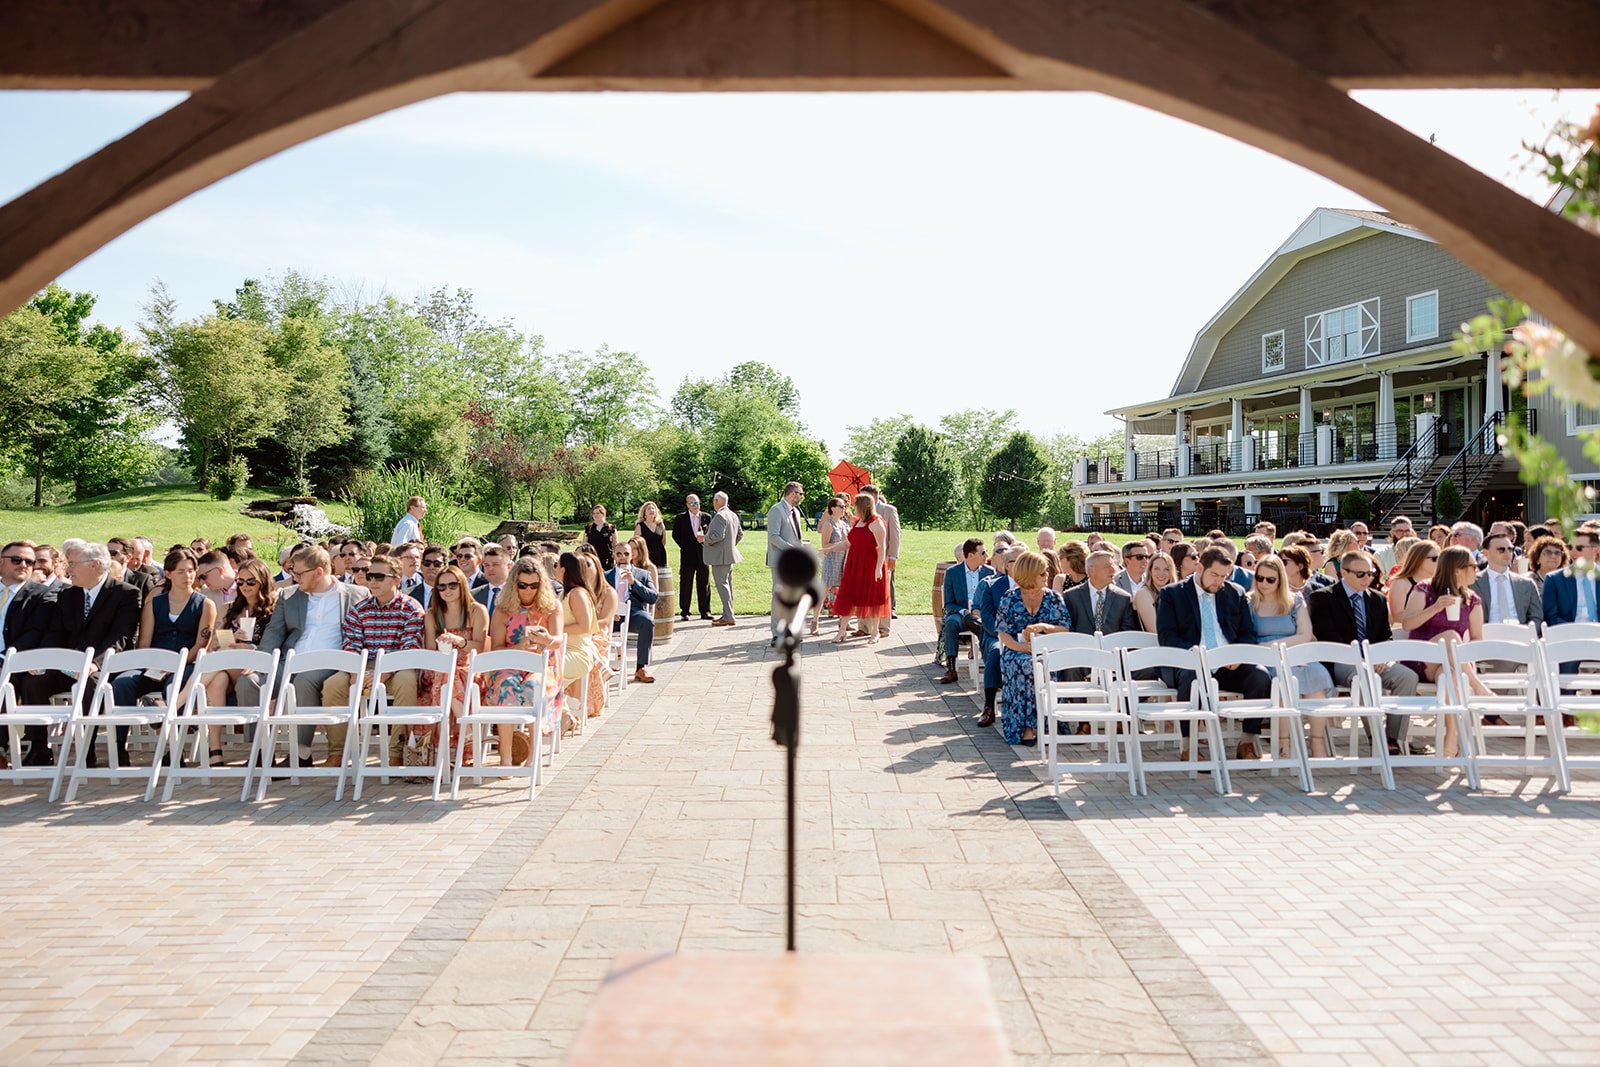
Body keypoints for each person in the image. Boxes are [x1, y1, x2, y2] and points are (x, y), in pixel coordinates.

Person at [239, 545, 368, 767]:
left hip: (329, 661)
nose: (294, 577)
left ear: (318, 572)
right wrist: (260, 661)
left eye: (299, 573)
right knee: (248, 682)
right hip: (289, 659)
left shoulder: (356, 594)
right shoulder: (289, 596)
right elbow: (274, 632)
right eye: (292, 572)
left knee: (304, 681)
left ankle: (301, 754)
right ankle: (260, 750)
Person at [26, 541, 141, 768]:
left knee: (88, 683)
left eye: (73, 564)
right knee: (34, 680)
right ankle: (39, 747)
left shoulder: (125, 594)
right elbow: (56, 633)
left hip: (106, 665)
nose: (69, 570)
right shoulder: (68, 595)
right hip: (69, 663)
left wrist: (96, 663)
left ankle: (86, 749)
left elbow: (122, 637)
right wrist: (43, 659)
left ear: (94, 565)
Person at [1156, 546, 1271, 760]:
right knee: (1193, 677)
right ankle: (1188, 745)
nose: (1219, 581)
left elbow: (1247, 634)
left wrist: (1237, 655)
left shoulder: (1234, 592)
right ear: (1200, 567)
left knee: (1260, 675)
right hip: (1189, 662)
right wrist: (1196, 655)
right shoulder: (1173, 593)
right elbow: (1167, 636)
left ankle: (1247, 740)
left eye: (1224, 576)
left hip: (1227, 663)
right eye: (1214, 574)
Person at [105, 547, 215, 764]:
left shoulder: (205, 605)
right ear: (168, 573)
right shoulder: (154, 604)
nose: (188, 576)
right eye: (181, 571)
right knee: (122, 683)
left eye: (192, 571)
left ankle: (173, 748)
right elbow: (144, 643)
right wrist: (154, 666)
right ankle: (118, 746)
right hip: (152, 662)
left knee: (175, 684)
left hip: (186, 664)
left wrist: (177, 664)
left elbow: (201, 644)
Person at [1307, 550, 1420, 755]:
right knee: (1365, 678)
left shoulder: (1376, 599)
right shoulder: (1323, 598)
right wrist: (1360, 660)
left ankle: (1392, 738)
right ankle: (1375, 737)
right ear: (1344, 572)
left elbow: (1386, 636)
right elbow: (1327, 637)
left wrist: (1383, 657)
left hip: (1375, 658)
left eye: (1371, 573)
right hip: (1341, 661)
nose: (1367, 578)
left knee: (1408, 677)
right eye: (1361, 574)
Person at [326, 555, 429, 767]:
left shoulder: (411, 608)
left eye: (379, 577)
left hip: (398, 667)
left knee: (407, 681)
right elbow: (351, 643)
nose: (371, 581)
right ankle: (337, 752)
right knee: (332, 684)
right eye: (370, 575)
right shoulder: (359, 608)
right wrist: (356, 670)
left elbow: (410, 647)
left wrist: (383, 672)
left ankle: (397, 751)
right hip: (364, 666)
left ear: (396, 580)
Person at [1400, 545, 1488, 757]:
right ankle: (1478, 686)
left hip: (1449, 664)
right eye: (1473, 566)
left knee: (1449, 675)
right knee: (1450, 637)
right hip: (1419, 659)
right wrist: (1436, 608)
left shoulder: (1472, 599)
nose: (1477, 570)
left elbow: (1477, 639)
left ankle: (1451, 737)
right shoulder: (1425, 589)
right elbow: (1407, 624)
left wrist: (1459, 656)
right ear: (1458, 569)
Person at [1248, 555, 1334, 758]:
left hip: (1295, 651)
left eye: (1270, 579)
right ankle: (1284, 744)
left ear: (1280, 579)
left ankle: (1317, 742)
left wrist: (1276, 645)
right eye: (1260, 578)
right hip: (1265, 656)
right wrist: (1267, 649)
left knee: (1316, 674)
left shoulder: (1295, 600)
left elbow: (1305, 634)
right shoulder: (1248, 601)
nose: (1264, 583)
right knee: (1283, 683)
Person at [483, 557, 566, 767]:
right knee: (505, 686)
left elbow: (557, 640)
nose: (528, 590)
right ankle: (506, 756)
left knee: (535, 686)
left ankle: (534, 752)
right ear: (514, 584)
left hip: (542, 664)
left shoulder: (551, 606)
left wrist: (546, 638)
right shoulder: (503, 609)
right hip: (509, 664)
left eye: (534, 585)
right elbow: (496, 648)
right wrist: (519, 647)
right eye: (522, 585)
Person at [199, 556, 277, 765]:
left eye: (251, 581)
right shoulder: (228, 608)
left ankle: (182, 701)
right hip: (231, 666)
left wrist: (251, 646)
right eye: (240, 582)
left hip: (258, 665)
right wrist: (232, 639)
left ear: (263, 581)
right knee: (218, 679)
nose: (245, 586)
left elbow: (277, 642)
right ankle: (215, 747)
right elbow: (215, 642)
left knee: (217, 672)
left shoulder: (274, 607)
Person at [412, 562, 486, 765]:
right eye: (441, 587)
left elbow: (478, 647)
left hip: (469, 668)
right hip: (438, 668)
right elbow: (429, 651)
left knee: (452, 675)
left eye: (452, 585)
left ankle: (451, 744)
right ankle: (467, 730)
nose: (447, 590)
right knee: (446, 674)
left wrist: (459, 642)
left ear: (462, 584)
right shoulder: (432, 615)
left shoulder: (477, 611)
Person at [995, 551, 1071, 747]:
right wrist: (1021, 647)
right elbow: (1003, 633)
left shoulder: (1053, 598)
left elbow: (1065, 628)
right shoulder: (1010, 598)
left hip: (1047, 650)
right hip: (1017, 649)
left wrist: (1044, 627)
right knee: (1024, 666)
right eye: (1043, 573)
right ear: (1029, 574)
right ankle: (1026, 727)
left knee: (1042, 665)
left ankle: (1047, 724)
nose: (1047, 577)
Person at [830, 492, 890, 644]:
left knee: (873, 598)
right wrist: (829, 549)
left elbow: (882, 547)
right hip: (854, 564)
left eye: (855, 504)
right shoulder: (857, 522)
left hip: (871, 564)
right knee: (848, 596)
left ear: (863, 506)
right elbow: (849, 543)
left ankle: (875, 632)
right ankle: (842, 631)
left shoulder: (877, 523)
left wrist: (878, 568)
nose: (852, 507)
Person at [975, 547, 1020, 726]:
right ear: (1008, 566)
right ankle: (989, 707)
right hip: (995, 635)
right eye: (1020, 561)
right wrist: (1006, 636)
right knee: (996, 652)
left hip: (1024, 637)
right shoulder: (991, 586)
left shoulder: (1034, 586)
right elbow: (987, 619)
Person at [555, 552, 600, 733]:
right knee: (543, 674)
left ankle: (565, 715)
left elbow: (584, 625)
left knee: (548, 671)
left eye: (557, 565)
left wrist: (556, 630)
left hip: (578, 652)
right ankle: (566, 714)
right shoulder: (563, 593)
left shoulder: (577, 594)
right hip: (561, 650)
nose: (555, 569)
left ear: (564, 569)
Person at [939, 539, 993, 684]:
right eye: (982, 552)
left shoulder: (989, 572)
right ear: (970, 555)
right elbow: (949, 603)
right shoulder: (953, 573)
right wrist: (965, 611)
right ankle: (951, 668)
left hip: (983, 614)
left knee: (983, 622)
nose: (986, 555)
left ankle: (990, 658)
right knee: (951, 622)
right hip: (962, 615)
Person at [765, 481, 810, 639]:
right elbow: (773, 537)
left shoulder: (796, 512)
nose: (801, 497)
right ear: (793, 493)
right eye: (800, 494)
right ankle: (777, 634)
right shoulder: (776, 510)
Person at [609, 540, 658, 684]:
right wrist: (609, 610)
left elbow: (653, 597)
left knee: (647, 621)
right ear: (614, 556)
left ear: (631, 556)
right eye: (618, 554)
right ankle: (597, 666)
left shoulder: (643, 574)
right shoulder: (606, 576)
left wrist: (634, 583)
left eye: (626, 554)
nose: (622, 557)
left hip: (634, 614)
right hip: (611, 617)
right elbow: (596, 598)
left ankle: (640, 668)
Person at [1473, 530, 1542, 625]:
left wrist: (1526, 632)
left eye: (1510, 549)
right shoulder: (1472, 582)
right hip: (1486, 634)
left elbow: (1537, 617)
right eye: (1501, 549)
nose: (1507, 553)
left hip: (1519, 634)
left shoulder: (1527, 584)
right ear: (1485, 552)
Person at [1064, 549, 1136, 636]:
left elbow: (1128, 634)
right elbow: (1067, 630)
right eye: (1107, 566)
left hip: (1112, 648)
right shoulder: (1071, 597)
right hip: (1082, 647)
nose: (1113, 570)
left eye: (1113, 565)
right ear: (1092, 571)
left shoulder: (1123, 598)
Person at [1542, 527, 1600, 626]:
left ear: (1595, 550)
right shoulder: (1554, 580)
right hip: (1568, 636)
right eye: (1570, 547)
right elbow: (1550, 617)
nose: (1573, 553)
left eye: (1579, 548)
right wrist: (1574, 631)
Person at [703, 491, 744, 627]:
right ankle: (727, 614)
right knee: (728, 586)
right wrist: (730, 547)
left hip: (720, 557)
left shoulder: (720, 516)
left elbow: (718, 535)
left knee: (723, 586)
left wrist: (704, 539)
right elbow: (740, 534)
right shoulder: (732, 515)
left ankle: (729, 616)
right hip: (729, 556)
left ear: (716, 501)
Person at [863, 486, 901, 632]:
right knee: (864, 591)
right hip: (865, 556)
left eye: (865, 496)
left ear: (874, 497)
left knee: (882, 592)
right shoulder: (861, 511)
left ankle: (882, 628)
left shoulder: (889, 510)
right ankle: (865, 627)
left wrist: (893, 556)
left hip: (883, 557)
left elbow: (896, 535)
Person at [670, 494, 713, 621]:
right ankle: (685, 611)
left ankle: (705, 611)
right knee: (686, 583)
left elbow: (710, 534)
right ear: (687, 505)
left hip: (703, 554)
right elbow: (675, 535)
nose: (696, 506)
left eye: (697, 503)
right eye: (693, 504)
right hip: (687, 555)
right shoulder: (681, 518)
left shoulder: (706, 517)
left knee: (704, 583)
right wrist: (685, 546)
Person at [1386, 540, 1438, 635]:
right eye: (1435, 559)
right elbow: (1397, 615)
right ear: (1419, 559)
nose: (1439, 562)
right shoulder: (1401, 583)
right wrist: (1432, 617)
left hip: (1436, 631)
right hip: (1406, 634)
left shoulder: (1440, 582)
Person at [817, 496, 850, 620]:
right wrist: (842, 544)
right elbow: (824, 545)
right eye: (841, 506)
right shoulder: (828, 524)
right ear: (833, 508)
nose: (844, 508)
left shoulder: (844, 523)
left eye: (845, 506)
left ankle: (844, 622)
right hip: (831, 560)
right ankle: (815, 620)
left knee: (844, 591)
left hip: (844, 560)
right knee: (825, 590)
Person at [1130, 551, 1175, 633]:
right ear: (1150, 571)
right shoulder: (1143, 594)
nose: (1161, 573)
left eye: (1166, 569)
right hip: (1150, 643)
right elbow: (1154, 631)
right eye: (1156, 569)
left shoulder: (1175, 594)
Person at [473, 544, 512, 617]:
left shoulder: (517, 594)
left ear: (508, 567)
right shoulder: (473, 596)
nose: (490, 569)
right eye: (487, 565)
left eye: (495, 564)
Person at [634, 501, 669, 570]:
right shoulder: (640, 525)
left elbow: (663, 542)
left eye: (653, 508)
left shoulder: (660, 524)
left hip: (660, 555)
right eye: (649, 509)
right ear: (644, 512)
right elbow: (636, 544)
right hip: (646, 556)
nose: (651, 510)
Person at [585, 505, 617, 572]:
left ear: (603, 514)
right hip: (592, 559)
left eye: (597, 513)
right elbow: (584, 544)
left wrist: (616, 558)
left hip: (607, 560)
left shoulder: (610, 528)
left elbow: (615, 545)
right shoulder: (589, 528)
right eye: (593, 513)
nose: (595, 515)